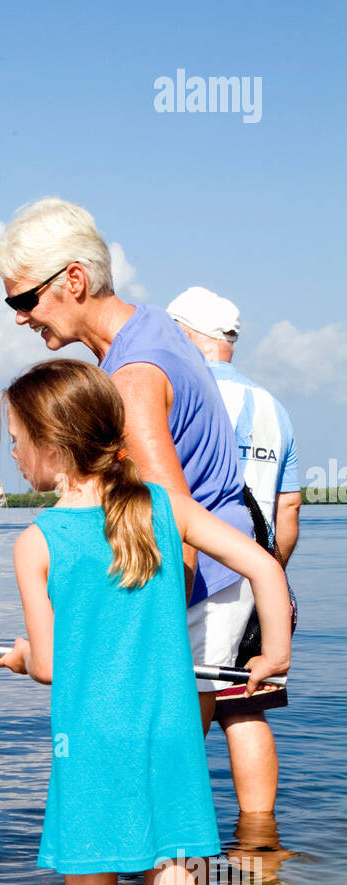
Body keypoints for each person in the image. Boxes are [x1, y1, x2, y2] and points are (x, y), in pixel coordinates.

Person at [0, 360, 291, 885]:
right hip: (169, 739)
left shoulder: (36, 541)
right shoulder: (162, 508)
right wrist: (271, 652)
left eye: (15, 438)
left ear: (52, 442)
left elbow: (47, 667)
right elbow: (262, 565)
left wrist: (18, 659)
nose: (11, 453)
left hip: (90, 743)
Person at [0, 198, 256, 740]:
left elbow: (174, 529)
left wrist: (146, 634)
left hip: (199, 587)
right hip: (227, 571)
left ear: (75, 279)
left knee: (162, 758)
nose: (18, 314)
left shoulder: (131, 379)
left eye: (24, 297)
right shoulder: (151, 325)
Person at [167, 286, 302, 813]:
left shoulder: (180, 392)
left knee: (188, 704)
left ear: (182, 333)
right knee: (247, 707)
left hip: (201, 575)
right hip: (260, 573)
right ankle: (260, 845)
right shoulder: (275, 407)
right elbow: (288, 510)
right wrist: (267, 576)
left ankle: (178, 846)